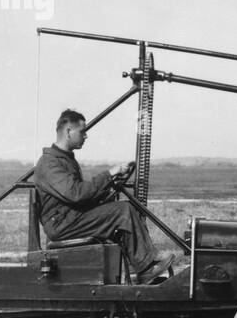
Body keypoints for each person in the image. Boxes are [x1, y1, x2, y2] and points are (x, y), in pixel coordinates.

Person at [34, 109, 176, 284]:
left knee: (123, 210)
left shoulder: (63, 159)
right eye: (82, 131)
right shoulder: (50, 163)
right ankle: (147, 266)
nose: (86, 136)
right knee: (123, 211)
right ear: (68, 131)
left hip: (70, 219)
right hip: (63, 225)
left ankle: (142, 265)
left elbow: (78, 196)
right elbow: (76, 193)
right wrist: (109, 174)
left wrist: (108, 186)